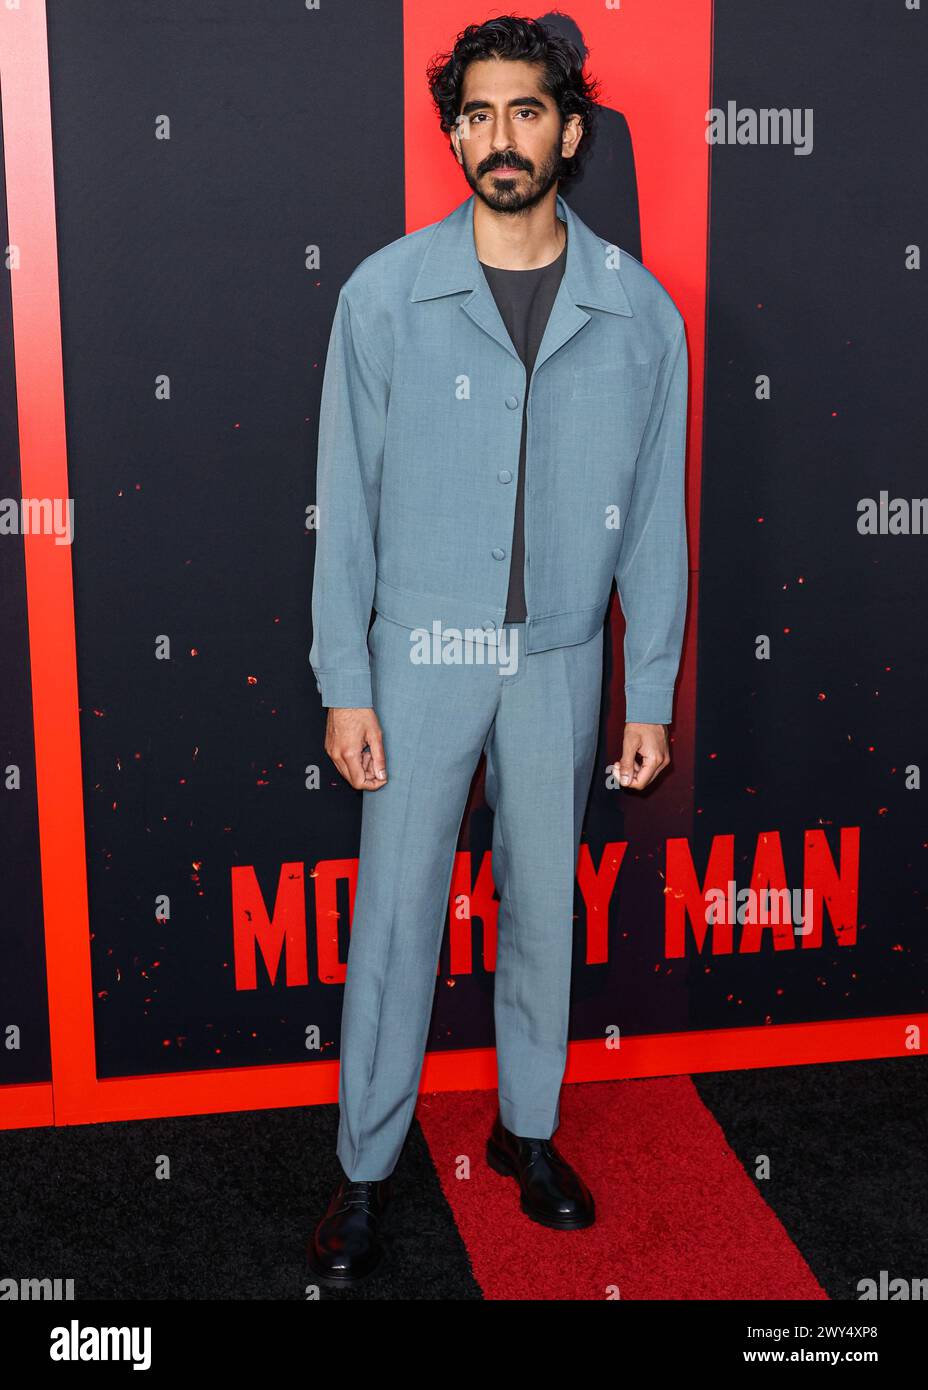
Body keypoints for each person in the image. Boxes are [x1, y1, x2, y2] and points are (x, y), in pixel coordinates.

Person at [306, 14, 689, 1286]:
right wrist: (345, 683)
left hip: (563, 664)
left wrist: (646, 689)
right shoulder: (382, 294)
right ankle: (365, 1168)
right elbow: (343, 512)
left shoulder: (639, 314)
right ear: (455, 132)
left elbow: (656, 519)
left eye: (525, 111)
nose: (498, 138)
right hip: (418, 660)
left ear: (568, 129)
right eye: (475, 114)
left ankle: (529, 1134)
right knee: (397, 918)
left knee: (540, 911)